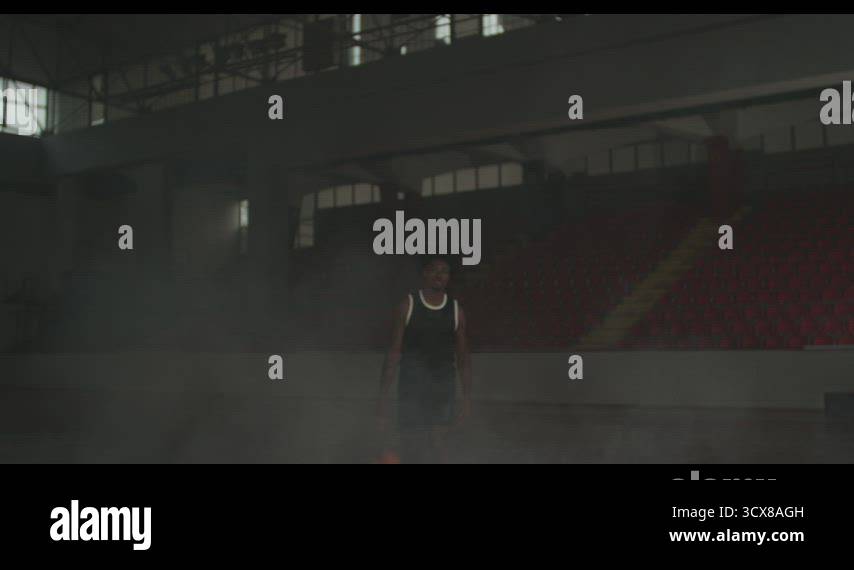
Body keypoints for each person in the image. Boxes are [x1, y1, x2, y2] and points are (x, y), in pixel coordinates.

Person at [376, 256, 472, 463]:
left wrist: (466, 398)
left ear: (448, 277)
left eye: (444, 271)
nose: (439, 275)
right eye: (434, 270)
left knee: (439, 445)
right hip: (412, 385)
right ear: (425, 274)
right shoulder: (407, 305)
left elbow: (463, 358)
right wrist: (382, 398)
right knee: (411, 444)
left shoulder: (456, 311)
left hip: (442, 387)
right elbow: (393, 354)